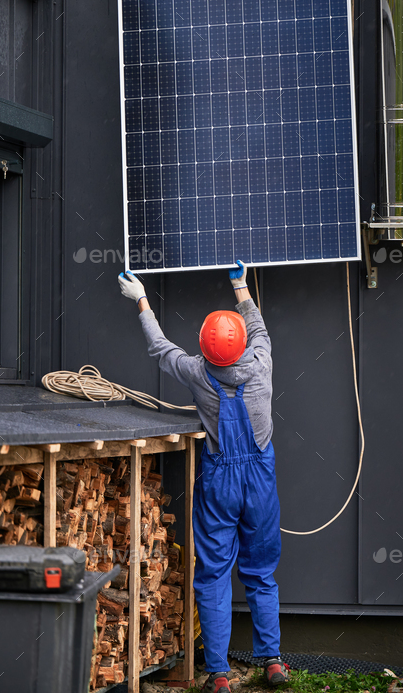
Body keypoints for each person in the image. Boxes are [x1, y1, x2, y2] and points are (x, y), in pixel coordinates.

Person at [118, 261, 288, 693]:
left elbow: (160, 348)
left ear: (205, 349)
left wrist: (140, 299)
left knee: (213, 575)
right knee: (262, 573)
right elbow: (261, 330)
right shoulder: (262, 362)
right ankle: (272, 662)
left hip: (219, 486)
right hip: (260, 483)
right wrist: (240, 286)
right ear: (245, 345)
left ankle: (218, 675)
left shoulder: (197, 372)